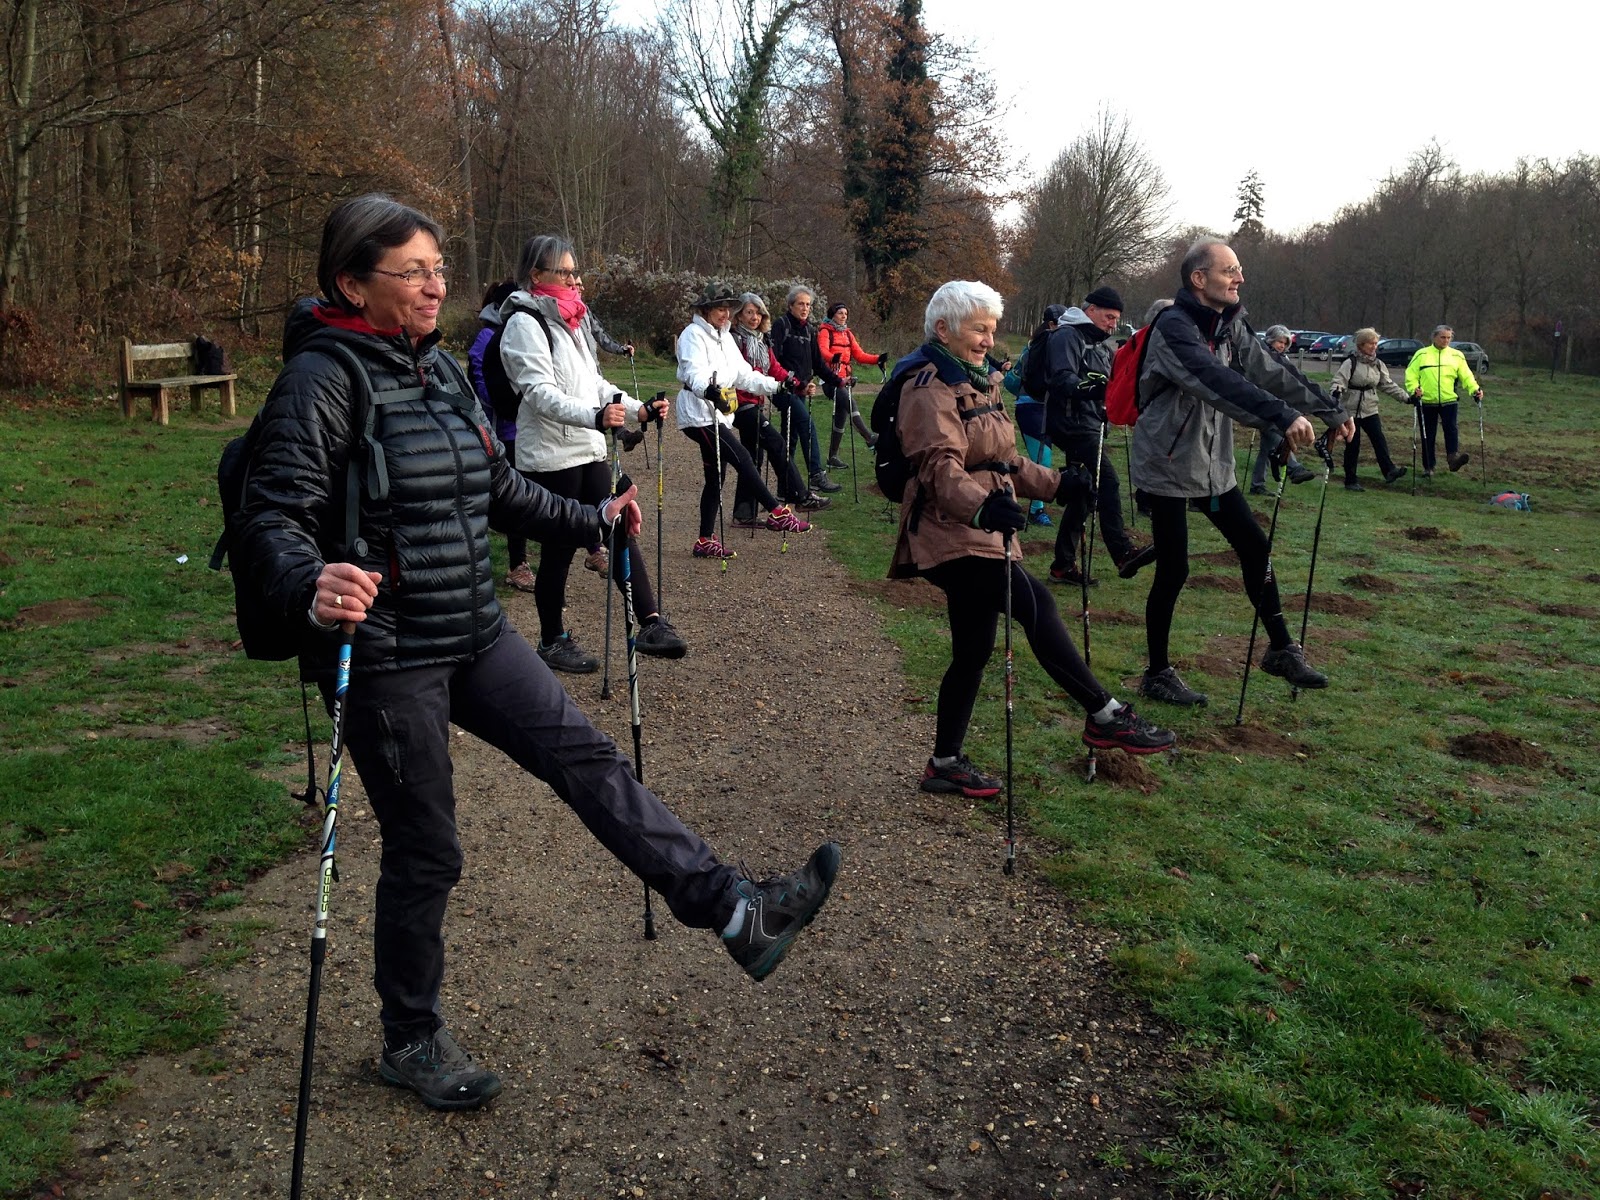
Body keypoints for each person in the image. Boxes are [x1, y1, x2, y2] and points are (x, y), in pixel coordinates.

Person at [236, 195, 840, 1111]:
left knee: (587, 759)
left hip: (473, 628)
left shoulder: (438, 368)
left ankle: (734, 912)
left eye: (438, 268)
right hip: (386, 649)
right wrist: (309, 581)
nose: (435, 285)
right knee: (426, 846)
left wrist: (589, 516)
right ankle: (410, 1037)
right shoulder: (319, 381)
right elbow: (271, 517)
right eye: (413, 271)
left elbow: (497, 487)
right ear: (352, 283)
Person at [888, 280, 1175, 798]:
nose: (988, 340)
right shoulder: (928, 385)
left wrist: (1060, 483)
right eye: (979, 329)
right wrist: (981, 506)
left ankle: (945, 763)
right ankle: (1104, 714)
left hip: (979, 527)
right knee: (1034, 601)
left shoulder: (978, 379)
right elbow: (938, 466)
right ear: (943, 329)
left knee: (973, 649)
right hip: (948, 528)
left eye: (992, 329)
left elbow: (1005, 460)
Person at [1130, 237, 1353, 708]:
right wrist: (1281, 416)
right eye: (1229, 270)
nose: (1240, 278)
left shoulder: (1231, 325)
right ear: (1199, 279)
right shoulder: (1173, 328)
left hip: (1214, 464)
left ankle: (1280, 649)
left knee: (1255, 546)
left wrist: (1330, 410)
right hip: (1167, 463)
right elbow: (1215, 381)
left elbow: (1272, 369)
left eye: (1238, 270)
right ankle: (1157, 673)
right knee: (1174, 568)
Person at [498, 234, 686, 672]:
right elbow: (538, 393)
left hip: (587, 448)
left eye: (574, 272)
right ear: (536, 275)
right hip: (550, 455)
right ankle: (551, 640)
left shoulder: (573, 319)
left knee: (618, 526)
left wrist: (637, 409)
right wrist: (596, 417)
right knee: (560, 548)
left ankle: (650, 623)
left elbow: (595, 384)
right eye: (563, 272)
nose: (573, 280)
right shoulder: (524, 323)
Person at [676, 280, 812, 559]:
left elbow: (744, 374)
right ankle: (776, 511)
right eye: (720, 308)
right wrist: (709, 390)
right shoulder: (693, 334)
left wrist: (776, 385)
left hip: (719, 412)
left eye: (728, 308)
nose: (725, 314)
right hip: (698, 413)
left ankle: (704, 540)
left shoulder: (725, 336)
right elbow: (692, 371)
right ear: (706, 309)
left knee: (716, 476)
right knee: (743, 457)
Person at [1041, 285, 1155, 586]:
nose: (1113, 324)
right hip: (1072, 424)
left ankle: (1062, 566)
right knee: (1108, 482)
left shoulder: (1099, 344)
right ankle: (1122, 552)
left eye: (1116, 319)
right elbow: (1062, 378)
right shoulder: (1067, 335)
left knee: (1085, 491)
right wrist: (1093, 389)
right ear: (1090, 310)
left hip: (1090, 423)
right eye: (1109, 317)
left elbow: (1106, 385)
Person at [730, 292, 831, 523]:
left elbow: (775, 368)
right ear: (739, 315)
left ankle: (744, 513)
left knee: (753, 457)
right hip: (740, 403)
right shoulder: (734, 340)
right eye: (749, 312)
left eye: (758, 313)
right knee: (777, 444)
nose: (754, 317)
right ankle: (799, 495)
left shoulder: (761, 339)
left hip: (755, 402)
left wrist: (797, 384)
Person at [467, 279, 534, 592]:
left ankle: (518, 563)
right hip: (494, 433)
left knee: (520, 497)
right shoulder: (486, 337)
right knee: (492, 500)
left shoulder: (519, 330)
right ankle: (504, 565)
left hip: (520, 430)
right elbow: (481, 386)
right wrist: (509, 404)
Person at [770, 286, 844, 494]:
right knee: (806, 425)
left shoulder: (810, 331)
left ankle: (785, 487)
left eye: (808, 305)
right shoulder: (781, 325)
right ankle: (816, 474)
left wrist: (839, 381)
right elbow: (773, 362)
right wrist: (796, 383)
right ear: (790, 306)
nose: (805, 308)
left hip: (800, 391)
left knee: (790, 438)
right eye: (800, 304)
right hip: (783, 389)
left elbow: (818, 365)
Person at [1002, 304, 1066, 527]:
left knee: (1046, 455)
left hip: (1042, 407)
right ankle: (1036, 509)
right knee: (1042, 458)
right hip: (1030, 407)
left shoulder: (1034, 345)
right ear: (1052, 324)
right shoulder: (1039, 346)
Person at [1330, 328, 1410, 490]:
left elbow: (1387, 385)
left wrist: (1407, 398)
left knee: (1379, 440)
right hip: (1350, 410)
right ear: (1361, 345)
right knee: (1353, 445)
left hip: (1370, 409)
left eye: (1376, 343)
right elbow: (1339, 381)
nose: (1374, 346)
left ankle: (1389, 471)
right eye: (1370, 343)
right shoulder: (1350, 363)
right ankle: (1350, 480)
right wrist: (1336, 391)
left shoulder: (1378, 364)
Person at [1246, 326, 1320, 495]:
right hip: (1262, 405)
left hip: (1279, 406)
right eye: (1279, 341)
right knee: (1275, 435)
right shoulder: (1260, 355)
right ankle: (1295, 468)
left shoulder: (1284, 359)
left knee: (1266, 447)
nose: (1282, 345)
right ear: (1270, 340)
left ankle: (1257, 485)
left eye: (1285, 343)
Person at [816, 301, 886, 468]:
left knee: (841, 416)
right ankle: (869, 437)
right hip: (830, 379)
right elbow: (822, 351)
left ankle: (832, 457)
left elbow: (859, 355)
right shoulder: (825, 331)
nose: (843, 316)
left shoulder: (848, 334)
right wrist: (833, 357)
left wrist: (878, 359)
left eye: (846, 314)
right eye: (840, 313)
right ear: (833, 314)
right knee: (850, 403)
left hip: (845, 379)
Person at [1404, 324, 1482, 476]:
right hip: (1426, 401)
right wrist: (1414, 390)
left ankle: (1453, 459)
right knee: (1428, 435)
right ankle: (1429, 467)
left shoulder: (1457, 355)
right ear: (1434, 337)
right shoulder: (1422, 354)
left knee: (1451, 429)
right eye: (1443, 337)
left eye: (1448, 338)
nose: (1446, 340)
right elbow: (1410, 375)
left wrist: (1475, 390)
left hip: (1449, 400)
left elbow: (1466, 376)